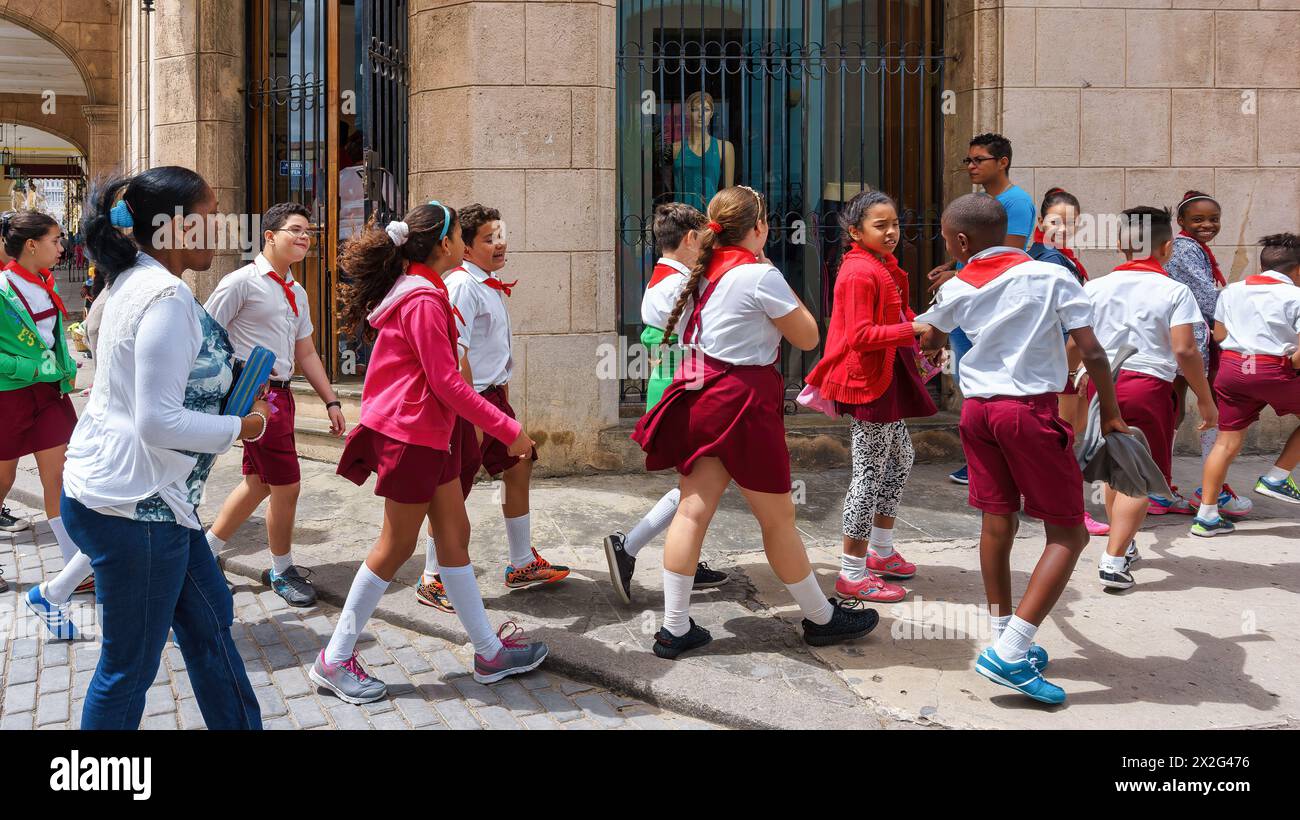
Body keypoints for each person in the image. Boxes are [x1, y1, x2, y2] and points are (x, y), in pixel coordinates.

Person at [633, 185, 879, 659]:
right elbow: (808, 336)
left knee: (691, 511)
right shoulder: (758, 275)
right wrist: (771, 272)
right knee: (778, 519)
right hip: (743, 403)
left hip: (699, 397)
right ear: (760, 227)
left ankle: (674, 627)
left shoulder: (697, 274)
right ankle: (821, 619)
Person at [59, 166, 265, 729]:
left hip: (148, 501)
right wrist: (241, 428)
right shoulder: (166, 296)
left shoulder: (134, 280)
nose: (221, 227)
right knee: (128, 668)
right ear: (174, 227)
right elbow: (157, 421)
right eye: (210, 216)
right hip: (137, 510)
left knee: (210, 626)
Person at [318, 202, 544, 703]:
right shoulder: (422, 298)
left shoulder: (428, 290)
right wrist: (507, 428)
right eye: (464, 236)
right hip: (412, 436)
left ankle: (488, 652)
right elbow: (445, 382)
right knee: (396, 545)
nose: (468, 243)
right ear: (445, 244)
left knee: (454, 533)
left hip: (429, 435)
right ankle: (333, 657)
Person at [914, 193, 1126, 704]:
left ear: (961, 241)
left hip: (977, 413)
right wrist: (1113, 412)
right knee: (1069, 535)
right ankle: (1010, 650)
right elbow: (1092, 349)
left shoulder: (959, 282)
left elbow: (927, 340)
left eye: (945, 238)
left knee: (998, 520)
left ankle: (1003, 630)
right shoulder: (1051, 276)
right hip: (1027, 412)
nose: (946, 246)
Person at [422, 203, 568, 612]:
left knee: (518, 463)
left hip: (492, 396)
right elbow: (457, 354)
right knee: (454, 489)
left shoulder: (485, 282)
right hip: (473, 401)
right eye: (488, 238)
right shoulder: (464, 286)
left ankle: (521, 562)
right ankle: (433, 577)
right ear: (464, 248)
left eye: (500, 235)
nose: (499, 244)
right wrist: (474, 415)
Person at [203, 202, 347, 606]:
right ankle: (281, 571)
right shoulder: (240, 283)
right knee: (287, 485)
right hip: (256, 398)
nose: (304, 237)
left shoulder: (297, 291)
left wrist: (331, 400)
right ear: (269, 236)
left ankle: (204, 552)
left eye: (308, 232)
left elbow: (306, 352)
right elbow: (205, 338)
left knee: (259, 483)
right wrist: (231, 389)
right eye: (295, 230)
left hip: (283, 395)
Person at [803, 191, 937, 604]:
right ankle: (852, 573)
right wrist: (914, 331)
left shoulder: (878, 265)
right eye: (881, 226)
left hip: (883, 377)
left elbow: (892, 315)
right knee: (868, 474)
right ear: (855, 231)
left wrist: (919, 321)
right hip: (868, 383)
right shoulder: (860, 271)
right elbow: (861, 336)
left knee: (900, 459)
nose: (892, 232)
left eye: (894, 223)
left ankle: (879, 551)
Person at [1081, 206, 1216, 590]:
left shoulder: (1094, 287)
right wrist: (1205, 399)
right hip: (1147, 387)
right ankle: (1114, 559)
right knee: (1140, 476)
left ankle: (1123, 543)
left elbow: (1077, 343)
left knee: (1116, 467)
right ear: (1168, 247)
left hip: (1101, 385)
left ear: (1121, 243)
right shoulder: (1175, 290)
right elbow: (1185, 350)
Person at [603, 202, 730, 604]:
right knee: (698, 483)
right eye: (705, 241)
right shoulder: (679, 285)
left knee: (700, 481)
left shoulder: (667, 277)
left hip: (676, 382)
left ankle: (681, 555)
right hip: (684, 385)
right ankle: (629, 546)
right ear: (691, 238)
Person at [929, 133, 1037, 486]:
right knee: (967, 379)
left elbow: (1003, 257)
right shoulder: (983, 200)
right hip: (970, 300)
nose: (971, 166)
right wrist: (951, 267)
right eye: (969, 160)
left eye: (979, 160)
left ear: (1002, 162)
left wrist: (956, 277)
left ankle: (991, 461)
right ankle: (981, 459)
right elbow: (977, 250)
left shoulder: (1016, 202)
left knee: (982, 384)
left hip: (986, 304)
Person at [0, 210, 84, 603]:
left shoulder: (46, 283)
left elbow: (53, 339)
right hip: (9, 397)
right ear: (31, 245)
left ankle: (74, 568)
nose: (62, 246)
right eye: (55, 239)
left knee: (61, 477)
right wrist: (36, 367)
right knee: (3, 479)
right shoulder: (2, 289)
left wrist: (64, 367)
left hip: (49, 396)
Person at [1192, 234, 1300, 535]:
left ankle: (1207, 516)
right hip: (1274, 370)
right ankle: (1277, 477)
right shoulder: (1296, 297)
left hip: (1232, 369)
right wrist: (1289, 364)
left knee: (1226, 442)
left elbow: (1219, 335)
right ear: (1298, 271)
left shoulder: (1231, 291)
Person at [1161, 191, 1253, 518]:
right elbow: (1207, 299)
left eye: (1213, 219)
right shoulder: (1186, 250)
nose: (1208, 225)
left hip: (1184, 340)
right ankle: (1210, 491)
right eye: (1198, 219)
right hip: (1191, 343)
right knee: (1210, 411)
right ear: (1181, 222)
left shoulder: (1195, 249)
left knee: (1174, 412)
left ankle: (1161, 488)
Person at [1027, 187, 1109, 536]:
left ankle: (1043, 501)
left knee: (1057, 438)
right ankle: (1069, 511)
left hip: (1053, 358)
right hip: (1060, 360)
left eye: (1071, 222)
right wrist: (1074, 367)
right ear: (1042, 221)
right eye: (1055, 221)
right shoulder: (1052, 261)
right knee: (1063, 440)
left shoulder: (1050, 256)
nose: (1062, 228)